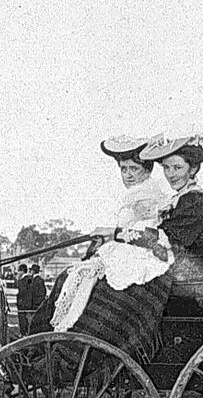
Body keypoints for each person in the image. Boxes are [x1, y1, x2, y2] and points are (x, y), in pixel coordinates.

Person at [48, 136, 173, 331]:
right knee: (72, 277)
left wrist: (110, 236)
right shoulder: (138, 193)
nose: (128, 175)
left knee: (77, 277)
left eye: (134, 169)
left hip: (141, 254)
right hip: (128, 249)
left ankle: (64, 332)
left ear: (147, 171)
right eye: (124, 169)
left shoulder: (146, 195)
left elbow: (145, 233)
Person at [148, 135, 203, 298]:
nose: (170, 174)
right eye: (166, 168)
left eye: (177, 167)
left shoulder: (198, 202)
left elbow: (160, 239)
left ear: (193, 169)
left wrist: (116, 234)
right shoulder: (180, 199)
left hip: (193, 283)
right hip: (179, 276)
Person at [16, 264, 46, 334]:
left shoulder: (26, 280)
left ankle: (25, 333)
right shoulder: (32, 279)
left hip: (27, 305)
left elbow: (27, 293)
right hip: (31, 304)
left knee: (24, 320)